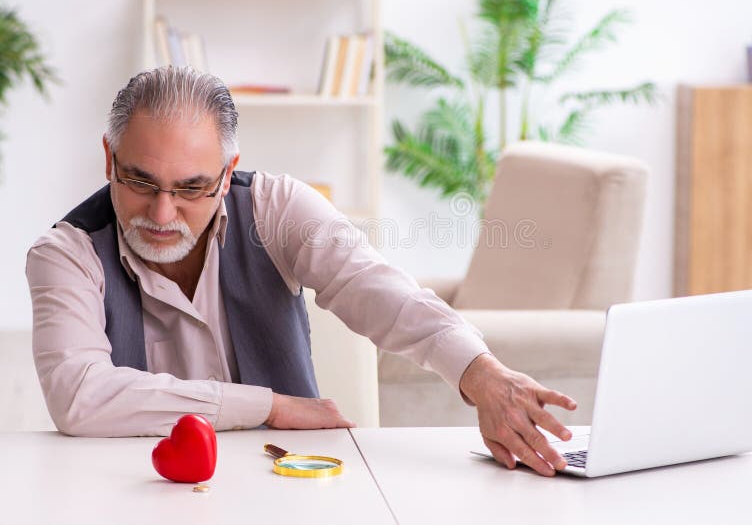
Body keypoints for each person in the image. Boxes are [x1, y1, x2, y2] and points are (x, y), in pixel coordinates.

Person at [26, 66, 577, 477]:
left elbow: (375, 288)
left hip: (288, 480)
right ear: (109, 159)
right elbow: (80, 396)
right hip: (132, 493)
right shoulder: (65, 254)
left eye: (192, 187)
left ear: (227, 172)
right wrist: (269, 406)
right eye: (141, 182)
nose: (163, 213)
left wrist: (479, 372)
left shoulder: (278, 208)